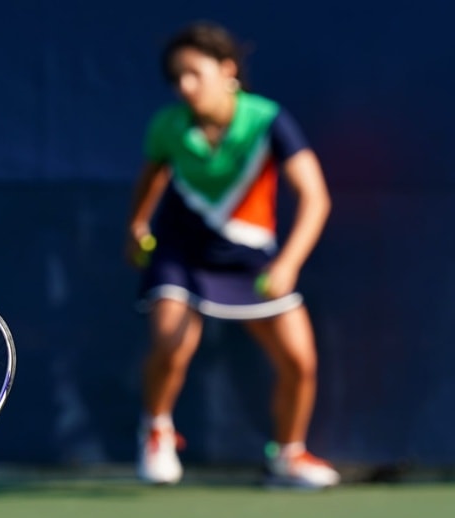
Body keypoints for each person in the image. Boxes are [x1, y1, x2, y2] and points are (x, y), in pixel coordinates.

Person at [124, 21, 339, 489]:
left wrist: (288, 264)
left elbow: (314, 196)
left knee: (300, 362)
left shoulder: (267, 119)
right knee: (170, 343)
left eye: (194, 73)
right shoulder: (168, 125)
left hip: (249, 258)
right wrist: (137, 224)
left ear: (228, 71)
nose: (184, 86)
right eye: (176, 77)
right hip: (179, 253)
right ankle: (156, 429)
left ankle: (287, 456)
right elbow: (152, 177)